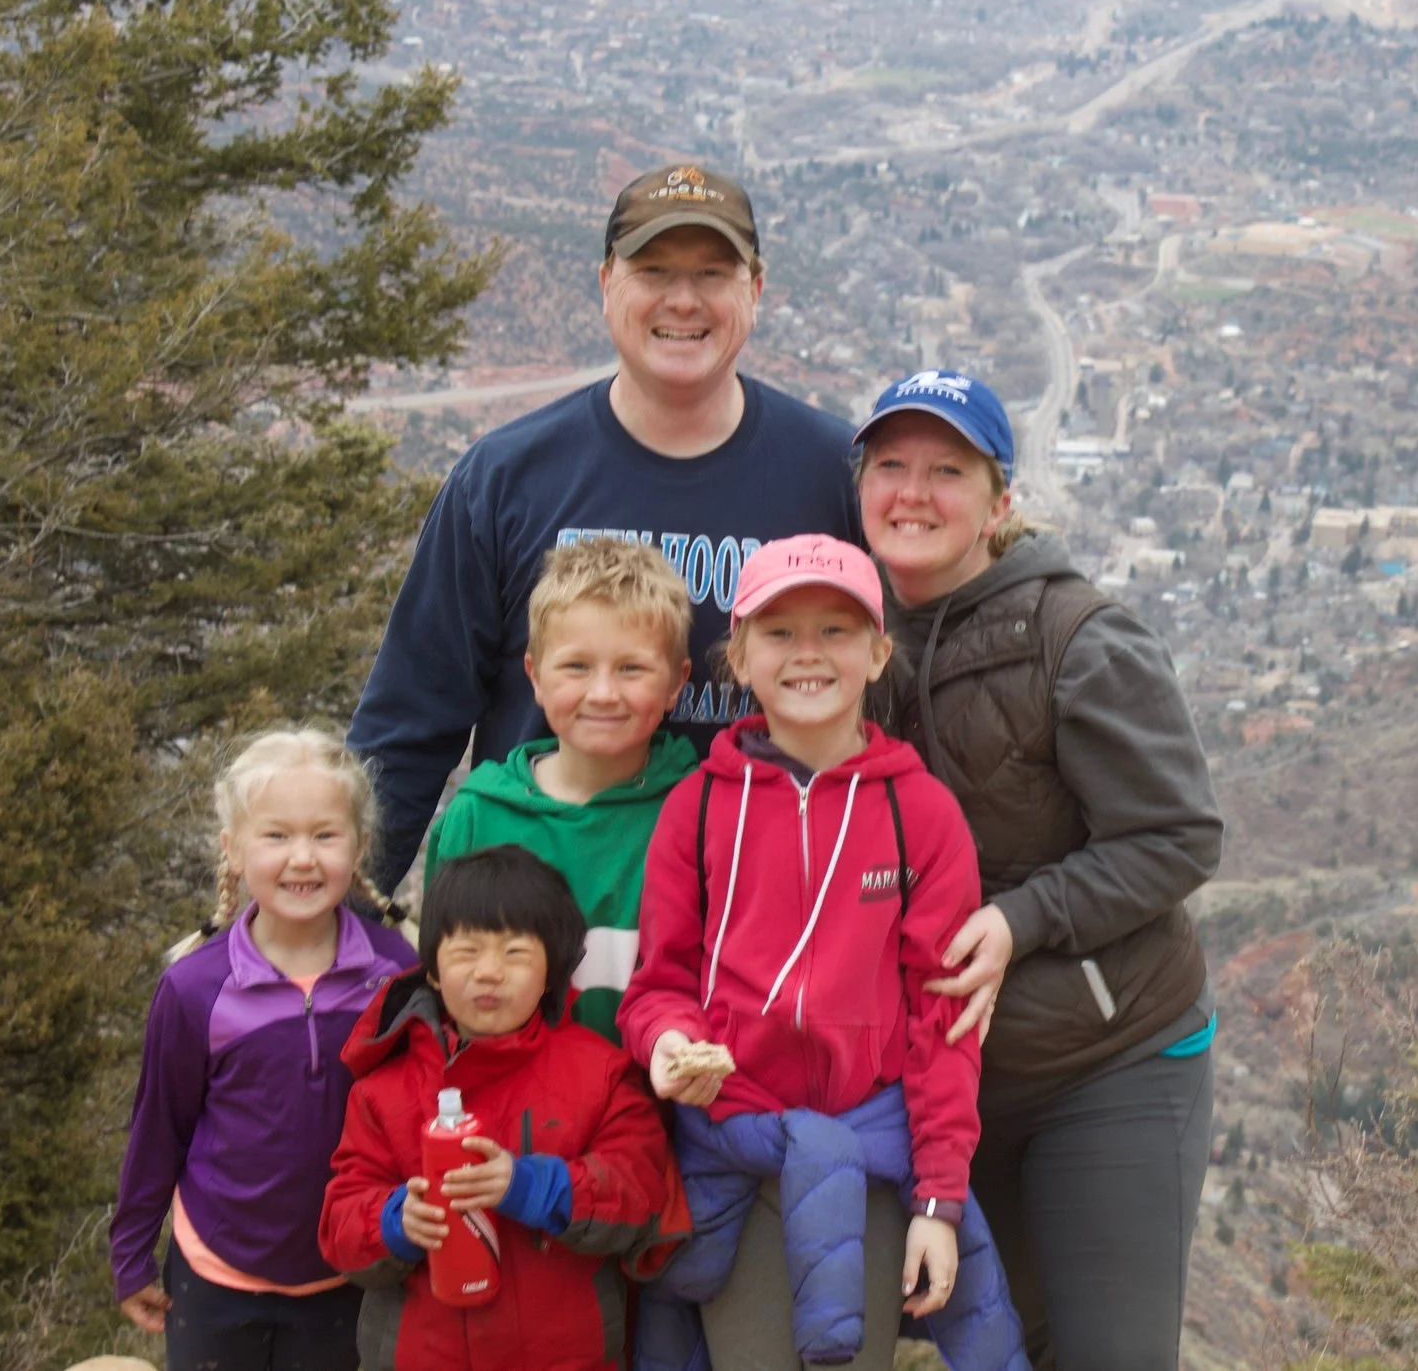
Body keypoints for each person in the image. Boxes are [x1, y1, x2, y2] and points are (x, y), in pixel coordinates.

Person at [350, 163, 863, 895]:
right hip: (534, 924)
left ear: (755, 290)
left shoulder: (834, 474)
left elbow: (917, 692)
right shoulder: (505, 479)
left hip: (764, 918)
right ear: (605, 283)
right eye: (653, 270)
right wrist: (340, 924)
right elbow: (408, 727)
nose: (682, 299)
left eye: (712, 273)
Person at [854, 369, 1224, 1371]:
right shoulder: (843, 638)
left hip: (1106, 1056)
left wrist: (1022, 917)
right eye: (890, 465)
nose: (913, 492)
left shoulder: (1079, 638)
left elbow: (1178, 834)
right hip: (946, 1086)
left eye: (947, 470)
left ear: (999, 500)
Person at [617, 535, 1021, 1371]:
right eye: (779, 632)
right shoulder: (698, 807)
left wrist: (939, 1198)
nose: (808, 653)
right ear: (738, 656)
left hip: (866, 1157)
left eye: (836, 630)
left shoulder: (922, 814)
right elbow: (659, 985)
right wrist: (668, 1045)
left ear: (878, 652)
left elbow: (943, 1021)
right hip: (732, 1143)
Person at [110, 729, 417, 1371]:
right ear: (233, 850)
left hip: (352, 1275)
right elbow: (160, 1128)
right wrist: (131, 1255)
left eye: (325, 835)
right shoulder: (195, 989)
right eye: (276, 836)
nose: (302, 858)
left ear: (359, 846)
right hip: (215, 1278)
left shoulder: (395, 973)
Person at [319, 846, 691, 1371]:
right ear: (432, 971)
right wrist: (395, 1222)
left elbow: (639, 1195)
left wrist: (532, 1187)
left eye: (515, 953)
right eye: (466, 951)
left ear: (552, 971)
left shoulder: (603, 1075)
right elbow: (339, 1226)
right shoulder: (383, 1090)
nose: (489, 972)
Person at [422, 535, 699, 1045]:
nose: (603, 693)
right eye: (577, 666)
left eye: (631, 668)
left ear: (676, 683)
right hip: (508, 1092)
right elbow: (445, 986)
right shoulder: (477, 817)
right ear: (534, 675)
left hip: (652, 1092)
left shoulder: (703, 814)